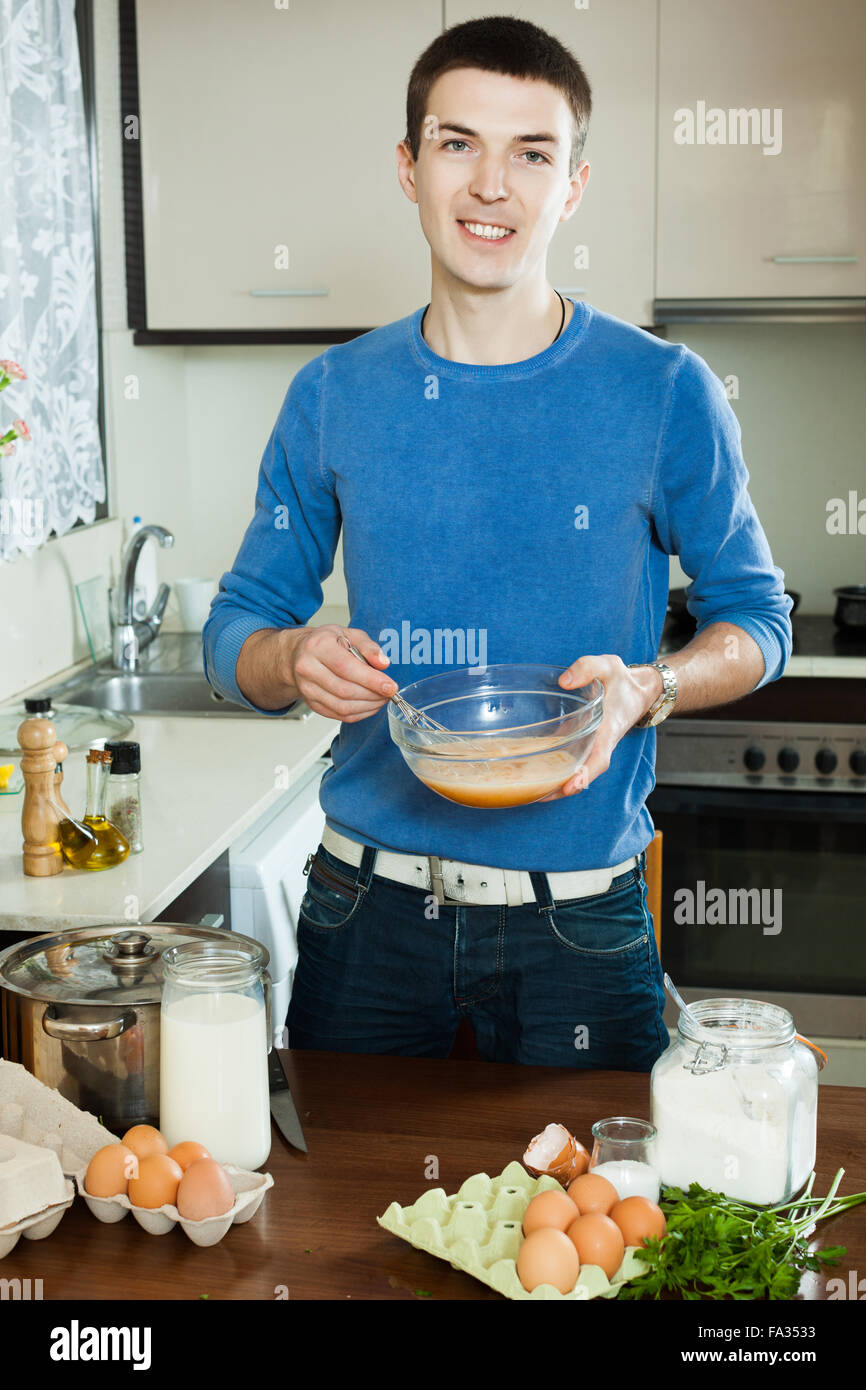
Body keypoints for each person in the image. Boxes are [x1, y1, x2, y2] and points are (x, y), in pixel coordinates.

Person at [202, 16, 792, 1070]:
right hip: (364, 916)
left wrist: (642, 688)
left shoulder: (661, 392)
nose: (490, 186)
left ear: (571, 185)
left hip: (578, 923)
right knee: (334, 1234)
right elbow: (236, 633)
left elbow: (755, 620)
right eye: (457, 142)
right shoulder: (334, 394)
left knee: (596, 1228)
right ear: (408, 165)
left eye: (531, 152)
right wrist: (288, 657)